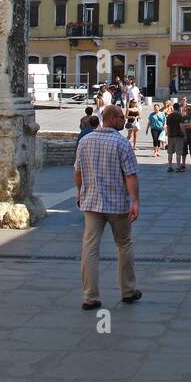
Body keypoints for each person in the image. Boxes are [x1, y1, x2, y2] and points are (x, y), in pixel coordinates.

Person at [74, 105, 142, 309]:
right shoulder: (121, 143)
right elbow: (130, 175)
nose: (125, 120)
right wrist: (135, 201)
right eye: (122, 117)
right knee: (124, 244)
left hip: (92, 202)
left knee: (90, 247)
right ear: (111, 119)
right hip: (117, 203)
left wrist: (79, 192)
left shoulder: (85, 141)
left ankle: (89, 296)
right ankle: (128, 290)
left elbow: (77, 171)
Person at [166, 100, 185, 172]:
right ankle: (178, 166)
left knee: (170, 152)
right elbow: (181, 126)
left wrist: (168, 134)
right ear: (179, 108)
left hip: (170, 135)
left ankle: (170, 166)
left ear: (173, 108)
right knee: (178, 152)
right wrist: (184, 134)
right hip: (178, 135)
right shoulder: (179, 116)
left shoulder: (169, 116)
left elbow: (167, 126)